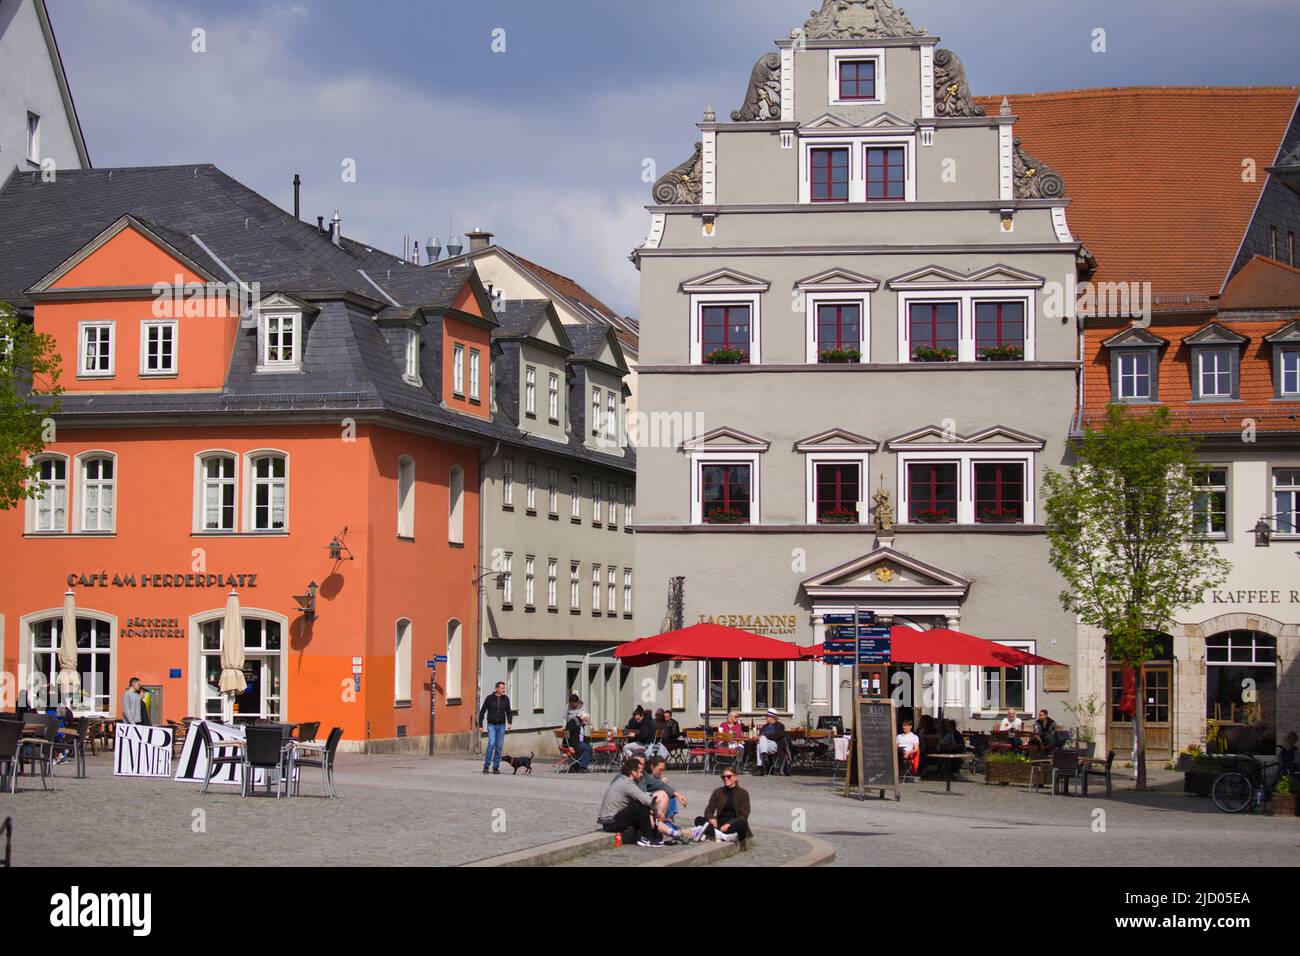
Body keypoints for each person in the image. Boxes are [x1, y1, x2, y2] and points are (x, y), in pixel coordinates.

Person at [691, 767, 750, 844]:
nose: (725, 779)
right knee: (698, 819)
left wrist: (729, 824)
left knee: (743, 823)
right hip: (719, 825)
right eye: (723, 777)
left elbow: (744, 815)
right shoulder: (718, 792)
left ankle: (714, 834)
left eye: (729, 776)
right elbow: (708, 810)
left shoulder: (743, 793)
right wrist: (712, 818)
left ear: (735, 777)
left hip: (733, 825)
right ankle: (723, 836)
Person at [478, 681, 512, 774]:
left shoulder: (506, 699)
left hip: (501, 725)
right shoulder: (489, 699)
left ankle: (496, 767)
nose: (504, 690)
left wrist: (509, 722)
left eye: (504, 688)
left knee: (499, 746)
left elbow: (509, 712)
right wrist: (480, 725)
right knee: (491, 743)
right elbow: (482, 712)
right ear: (497, 689)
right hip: (491, 725)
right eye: (502, 688)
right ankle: (486, 766)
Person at [645, 754, 688, 824]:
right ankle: (668, 823)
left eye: (663, 770)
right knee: (666, 794)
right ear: (652, 767)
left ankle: (670, 821)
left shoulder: (657, 777)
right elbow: (656, 784)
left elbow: (660, 784)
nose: (662, 772)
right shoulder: (646, 777)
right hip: (649, 801)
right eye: (660, 770)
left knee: (671, 796)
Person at [755, 708, 787, 774]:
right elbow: (760, 735)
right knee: (758, 746)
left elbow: (778, 735)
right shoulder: (765, 726)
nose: (766, 718)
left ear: (772, 717)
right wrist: (758, 737)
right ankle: (760, 765)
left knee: (763, 737)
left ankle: (763, 759)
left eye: (767, 716)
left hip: (775, 744)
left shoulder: (780, 726)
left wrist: (765, 735)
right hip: (765, 745)